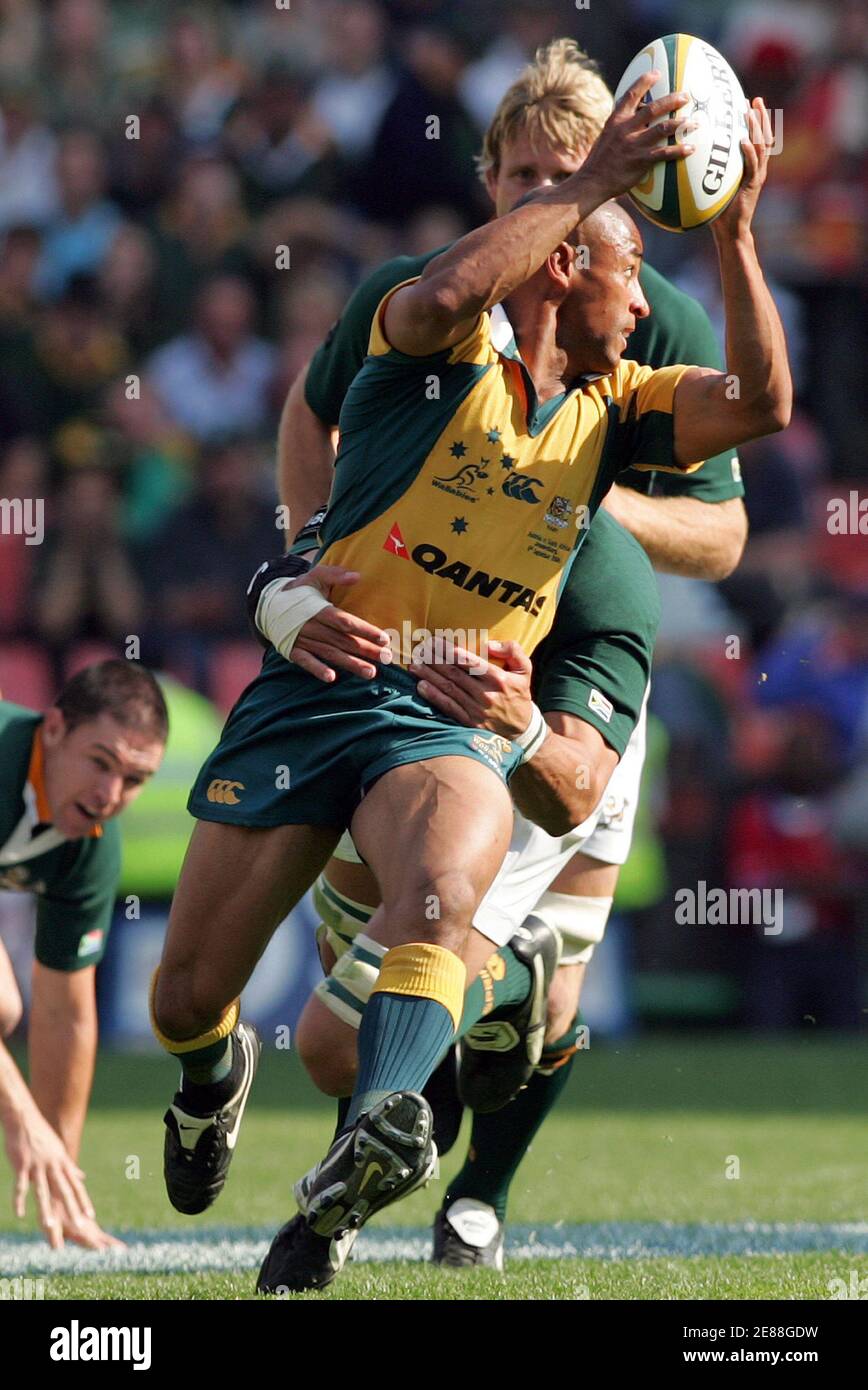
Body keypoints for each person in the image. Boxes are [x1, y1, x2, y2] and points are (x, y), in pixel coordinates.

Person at [151, 71, 789, 1296]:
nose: (647, 308)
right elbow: (431, 300)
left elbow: (761, 406)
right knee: (187, 993)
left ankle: (393, 1127)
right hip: (317, 687)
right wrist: (290, 575)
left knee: (444, 896)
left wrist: (737, 230)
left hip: (439, 715)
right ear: (559, 265)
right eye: (627, 275)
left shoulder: (615, 405)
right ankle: (207, 1075)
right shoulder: (427, 324)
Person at [0, 660, 167, 1249]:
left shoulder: (90, 845)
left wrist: (60, 1172)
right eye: (100, 762)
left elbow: (66, 1012)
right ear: (52, 729)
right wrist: (21, 1118)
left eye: (134, 778)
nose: (109, 795)